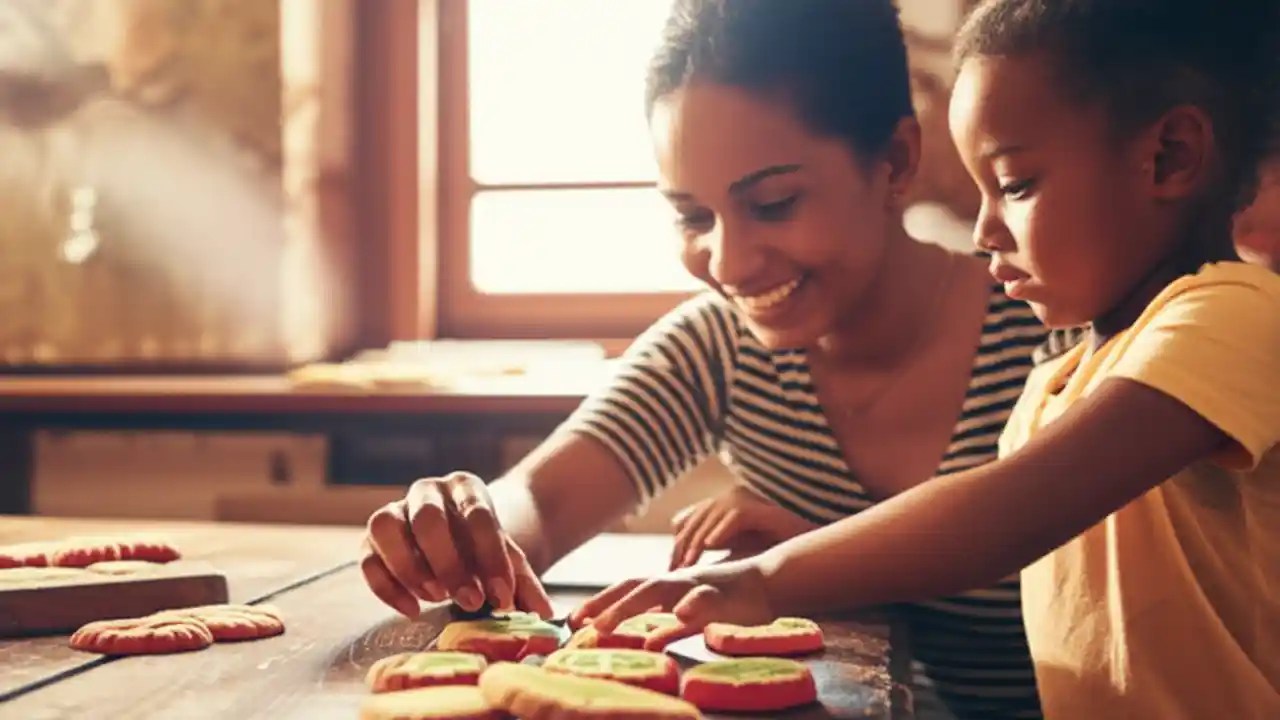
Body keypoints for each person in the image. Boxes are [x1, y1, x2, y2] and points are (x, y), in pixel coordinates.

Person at [576, 1, 1280, 718]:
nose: (984, 230)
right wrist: (820, 549)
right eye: (981, 192)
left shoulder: (1236, 318)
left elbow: (1006, 515)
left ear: (1170, 157)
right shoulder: (1063, 378)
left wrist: (762, 577)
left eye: (1014, 185)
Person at [361, 1, 1052, 717]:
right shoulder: (719, 346)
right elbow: (543, 498)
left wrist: (802, 561)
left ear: (895, 162)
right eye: (693, 216)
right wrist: (466, 521)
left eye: (774, 203)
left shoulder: (1044, 332)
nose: (729, 263)